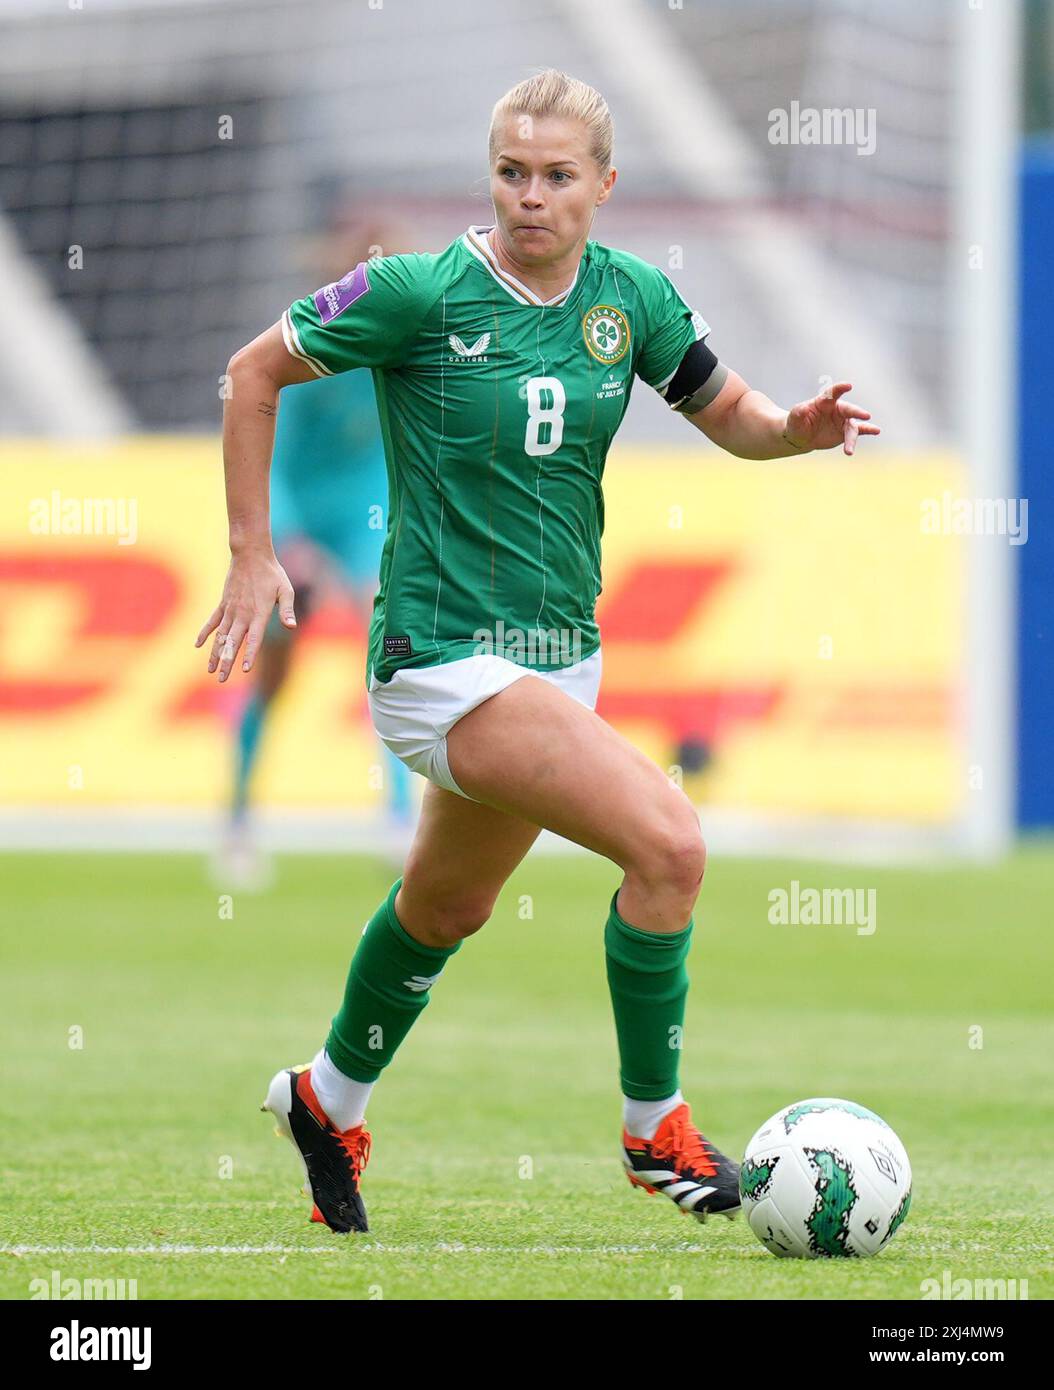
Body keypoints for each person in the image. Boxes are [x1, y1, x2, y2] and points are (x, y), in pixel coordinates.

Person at [196, 69, 880, 1234]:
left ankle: (323, 1097)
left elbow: (732, 417)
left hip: (558, 655)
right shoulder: (420, 292)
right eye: (512, 172)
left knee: (445, 906)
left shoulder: (632, 301)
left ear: (602, 186)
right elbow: (251, 370)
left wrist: (795, 434)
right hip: (441, 657)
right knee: (671, 844)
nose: (530, 195)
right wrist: (253, 552)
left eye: (557, 176)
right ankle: (651, 1129)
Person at [219, 218, 414, 889]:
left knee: (390, 659)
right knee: (274, 678)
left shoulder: (402, 348)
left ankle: (398, 820)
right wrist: (285, 542)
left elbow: (383, 461)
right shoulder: (303, 349)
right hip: (295, 516)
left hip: (362, 517)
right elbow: (269, 453)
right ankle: (240, 819)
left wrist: (376, 543)